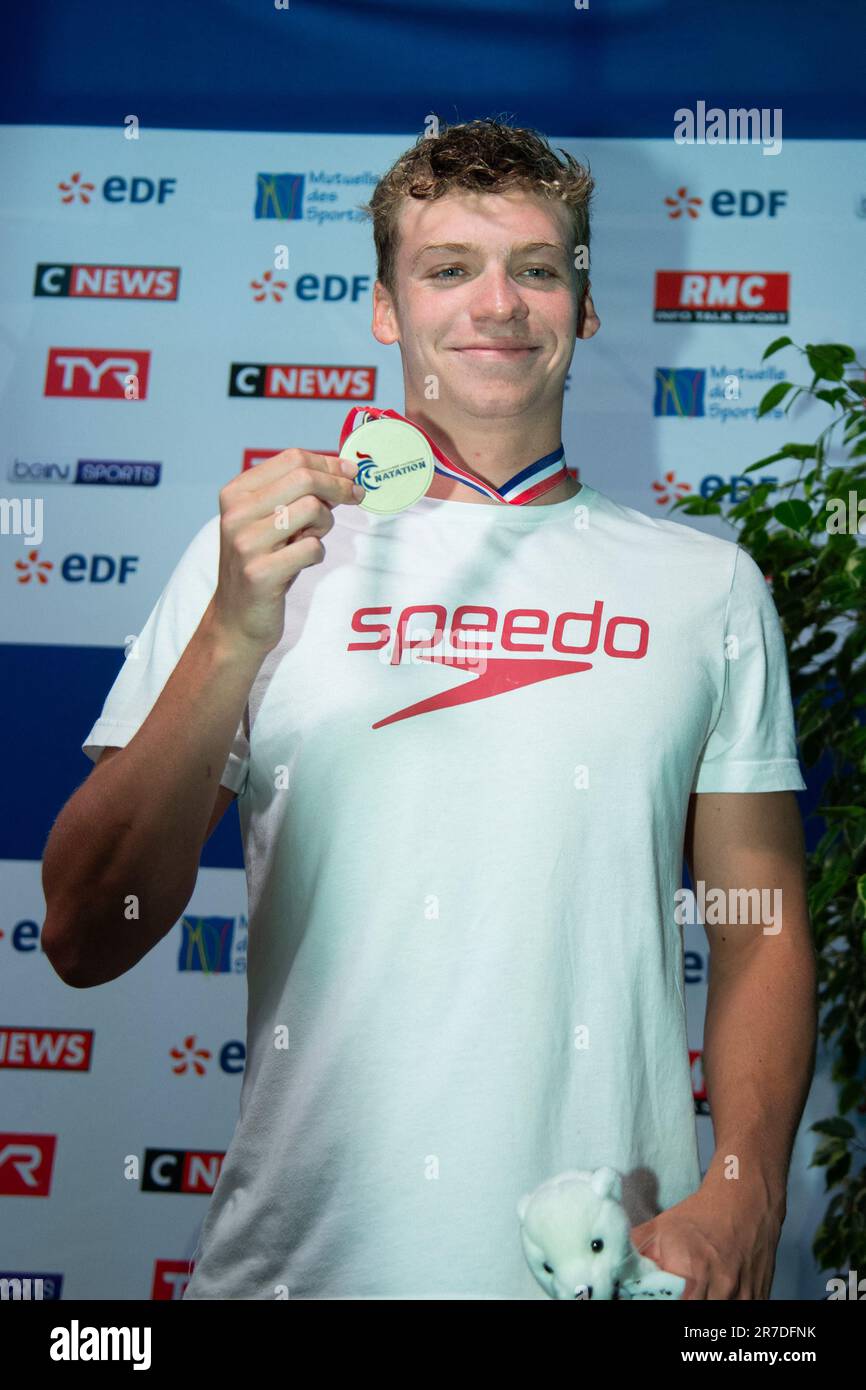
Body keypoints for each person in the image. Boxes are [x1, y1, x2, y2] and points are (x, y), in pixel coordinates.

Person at [41, 119, 817, 1300]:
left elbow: (755, 924)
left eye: (537, 268)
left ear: (584, 306)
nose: (497, 302)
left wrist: (743, 1186)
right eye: (448, 267)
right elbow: (91, 934)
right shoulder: (254, 559)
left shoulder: (703, 582)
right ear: (385, 309)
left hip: (605, 1269)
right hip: (301, 1272)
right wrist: (231, 632)